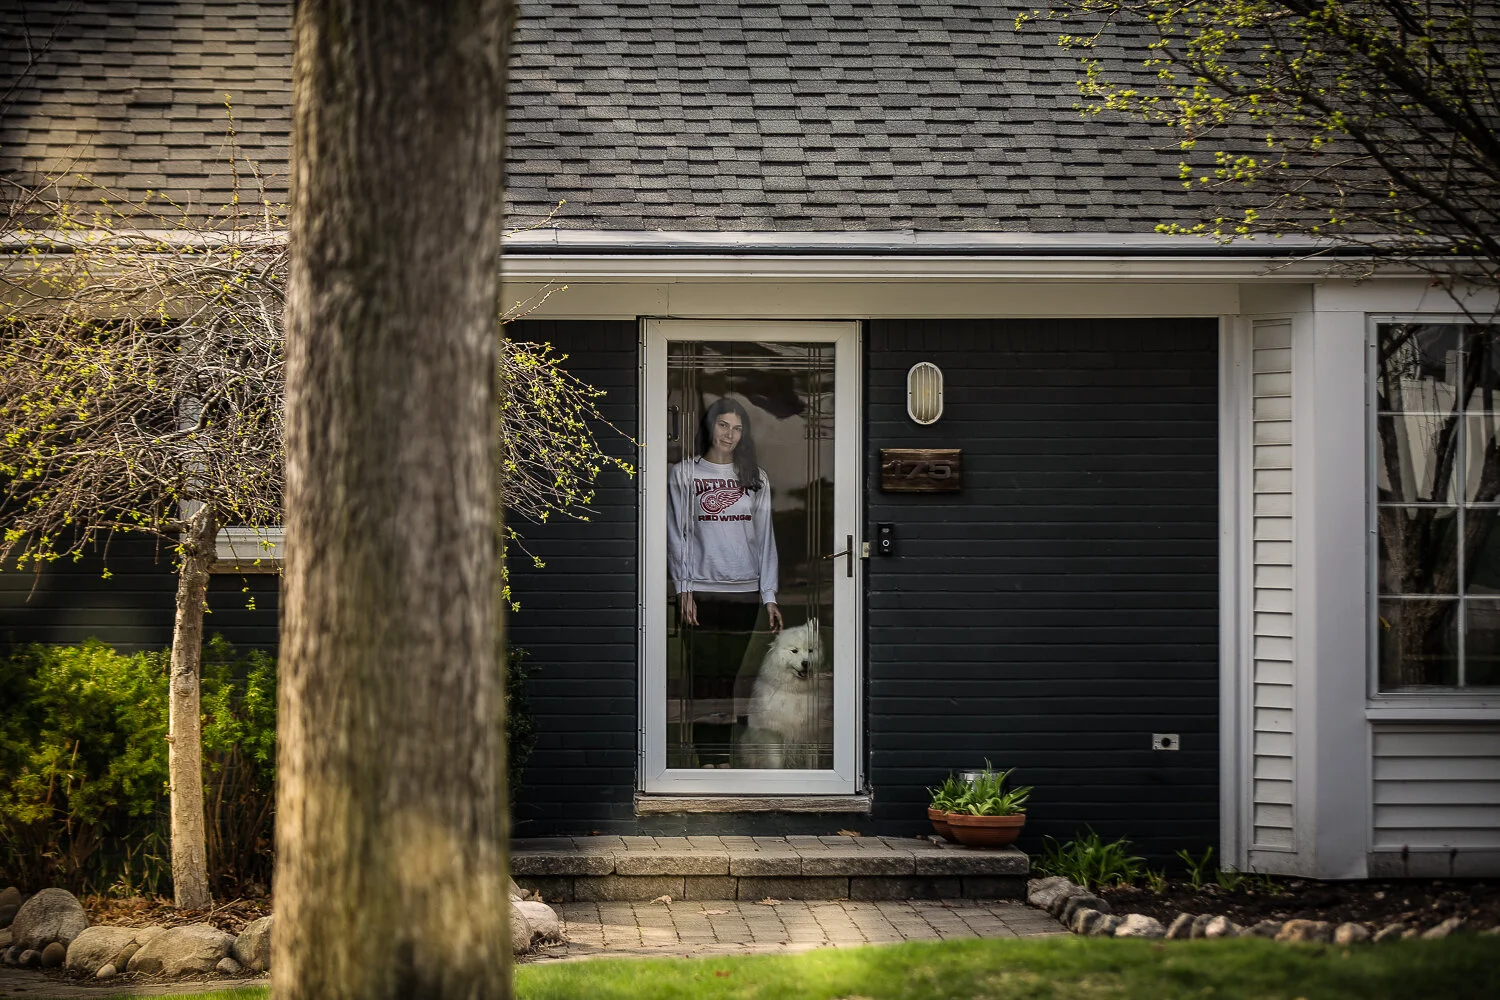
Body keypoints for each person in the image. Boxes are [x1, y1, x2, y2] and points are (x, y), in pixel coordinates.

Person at [668, 397, 781, 765]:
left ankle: (724, 756)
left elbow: (765, 538)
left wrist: (769, 594)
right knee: (703, 677)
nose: (729, 434)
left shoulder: (755, 477)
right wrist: (684, 588)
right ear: (709, 426)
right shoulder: (685, 474)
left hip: (743, 593)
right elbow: (677, 536)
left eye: (737, 428)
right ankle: (707, 756)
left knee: (728, 678)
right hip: (701, 591)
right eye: (723, 425)